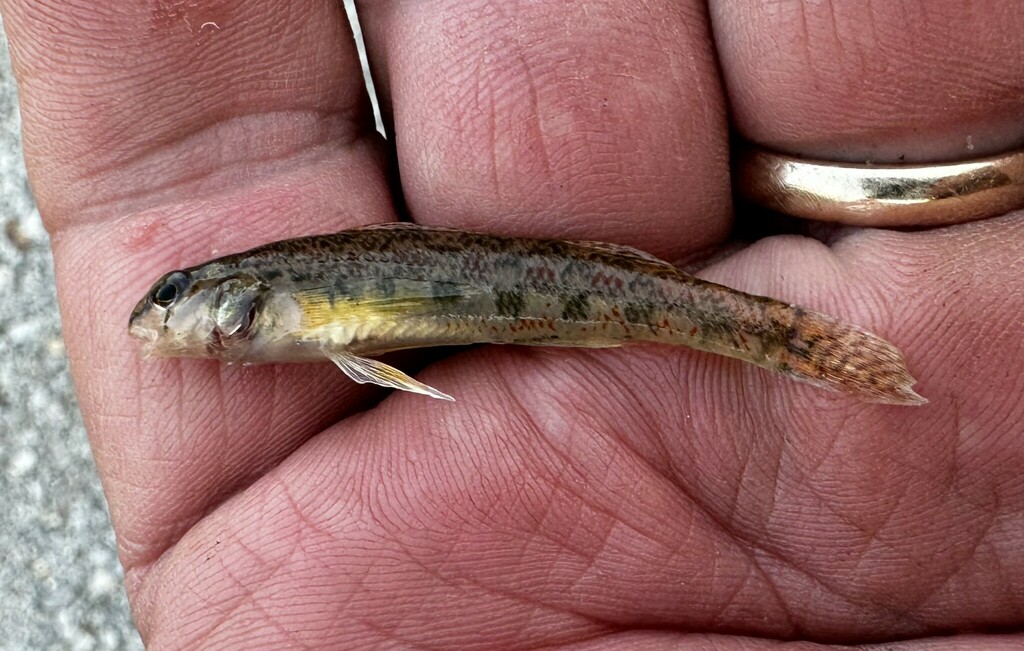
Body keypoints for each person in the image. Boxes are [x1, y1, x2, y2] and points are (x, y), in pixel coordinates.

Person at [5, 1, 1023, 648]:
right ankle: (793, 344)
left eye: (175, 300)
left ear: (236, 302)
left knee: (679, 312)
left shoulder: (285, 296)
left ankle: (790, 342)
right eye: (170, 301)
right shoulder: (286, 308)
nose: (160, 320)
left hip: (579, 294)